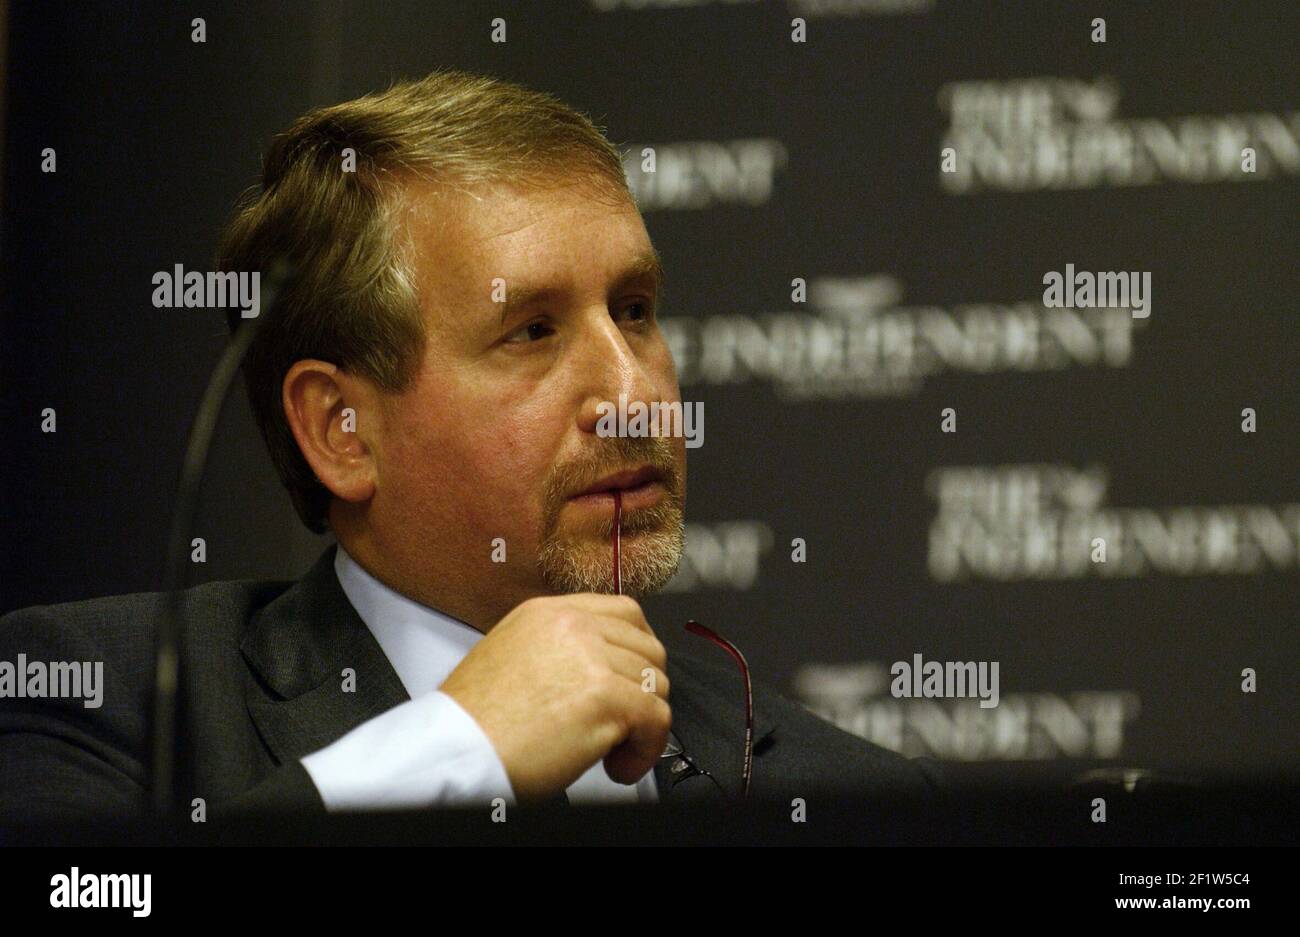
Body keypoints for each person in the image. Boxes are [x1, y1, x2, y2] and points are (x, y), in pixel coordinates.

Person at [0, 69, 939, 822]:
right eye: (532, 330)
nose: (633, 396)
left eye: (635, 310)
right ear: (342, 429)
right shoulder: (99, 704)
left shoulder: (859, 794)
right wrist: (461, 749)